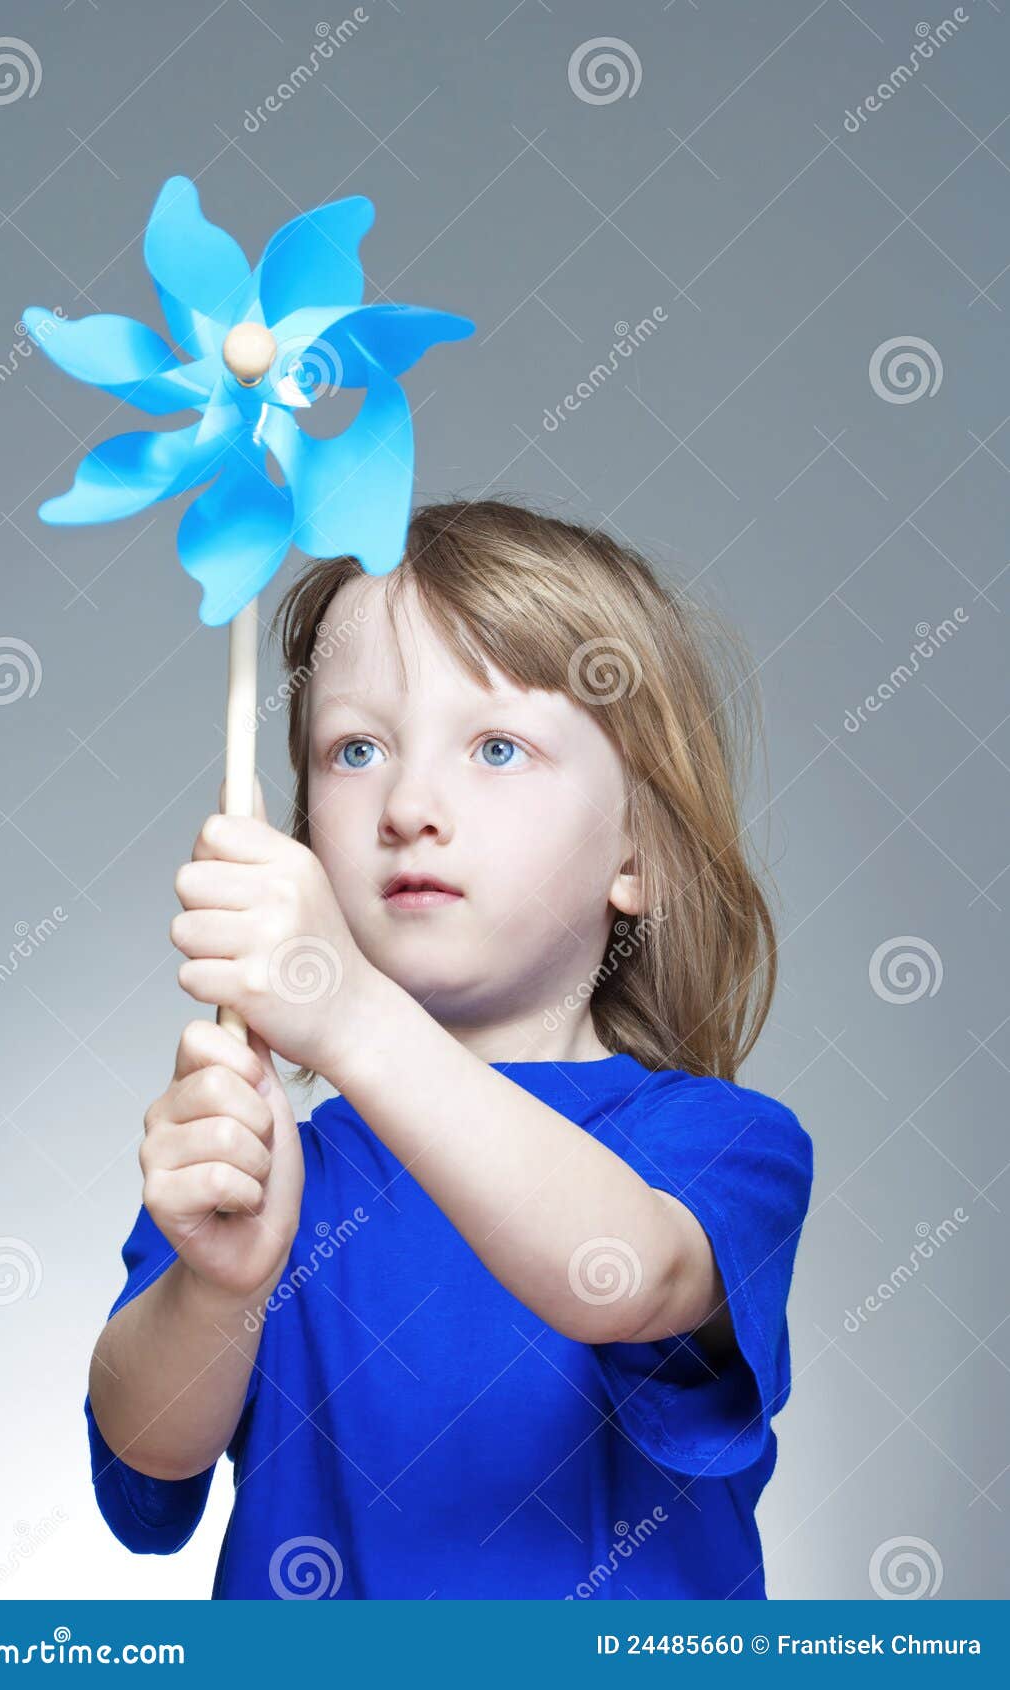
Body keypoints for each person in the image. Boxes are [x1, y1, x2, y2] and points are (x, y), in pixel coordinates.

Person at [85, 496, 813, 1600]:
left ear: (638, 853)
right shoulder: (265, 1163)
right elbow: (147, 1455)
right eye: (356, 747)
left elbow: (615, 1274)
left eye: (497, 746)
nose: (409, 803)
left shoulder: (716, 1145)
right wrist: (216, 1287)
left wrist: (352, 1014)